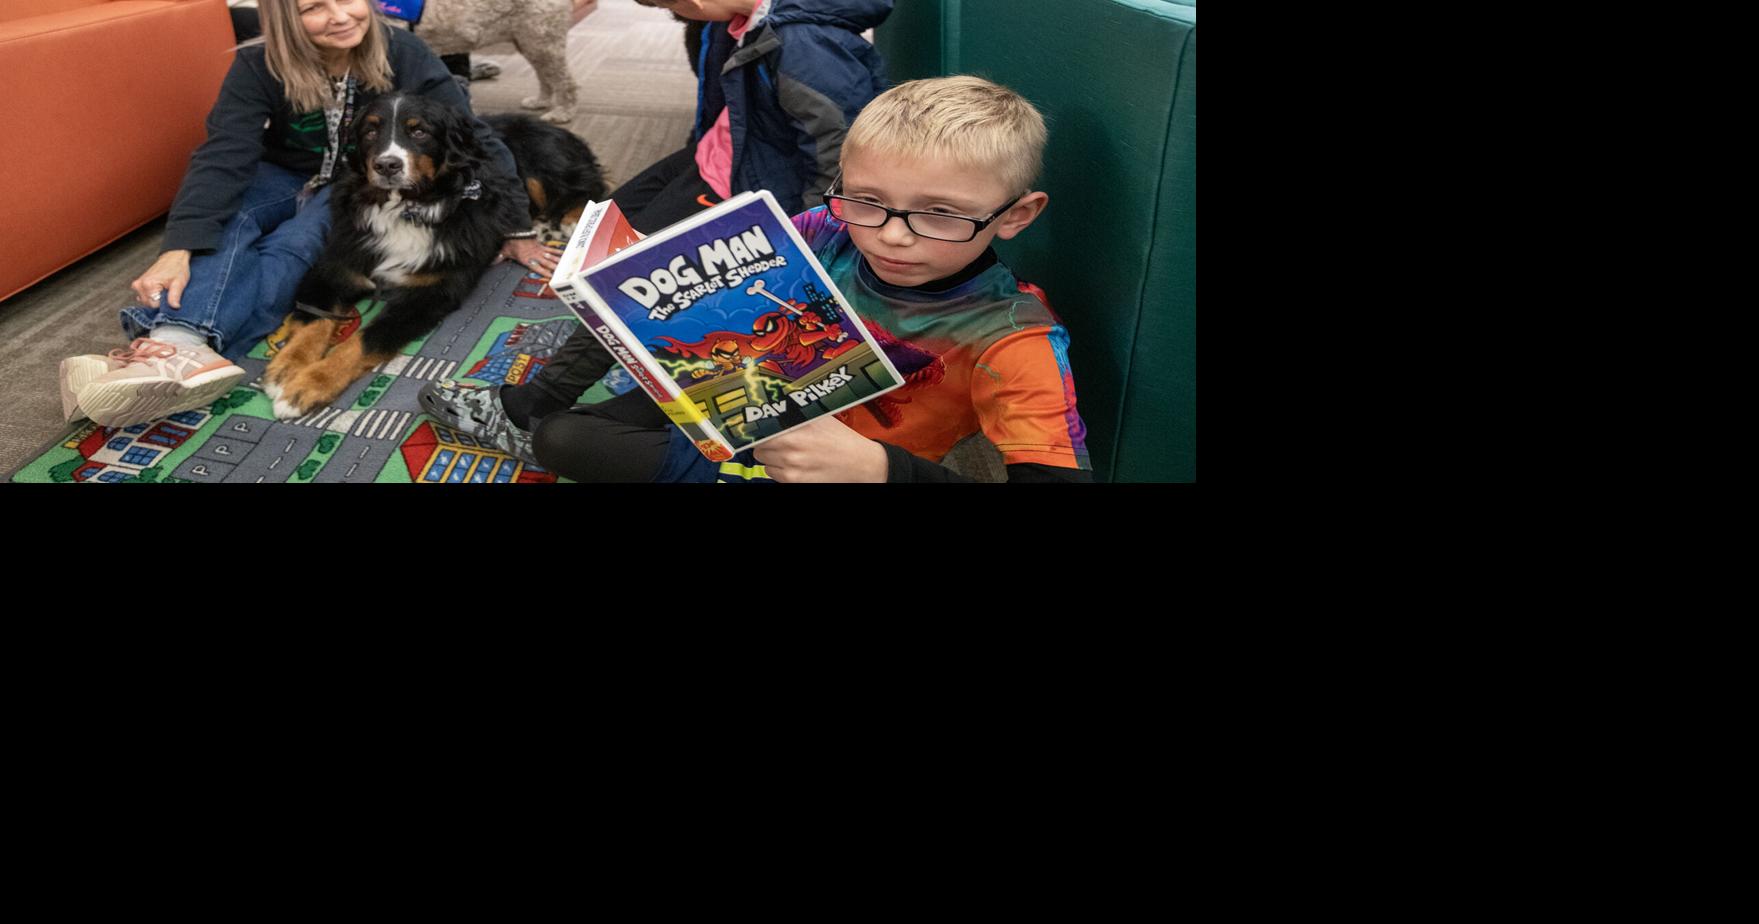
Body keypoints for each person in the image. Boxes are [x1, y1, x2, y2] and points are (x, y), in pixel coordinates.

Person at [530, 75, 1091, 482]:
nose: (892, 236)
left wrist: (880, 469)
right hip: (748, 405)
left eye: (941, 214)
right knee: (562, 434)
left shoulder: (1014, 336)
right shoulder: (829, 226)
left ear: (1016, 215)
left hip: (854, 468)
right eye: (868, 201)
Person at [419, 0, 888, 460]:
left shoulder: (804, 43)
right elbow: (736, 111)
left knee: (627, 283)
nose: (673, 14)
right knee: (605, 233)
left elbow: (840, 158)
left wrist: (803, 247)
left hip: (752, 189)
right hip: (716, 158)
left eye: (669, 4)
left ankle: (532, 405)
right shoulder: (740, 22)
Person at [59, 0, 544, 428]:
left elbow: (473, 137)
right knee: (231, 227)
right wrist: (177, 247)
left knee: (295, 247)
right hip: (283, 173)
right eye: (313, 6)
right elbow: (224, 154)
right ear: (284, 18)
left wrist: (518, 226)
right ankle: (175, 341)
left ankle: (182, 346)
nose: (338, 16)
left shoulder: (403, 52)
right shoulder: (256, 64)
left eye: (348, 0)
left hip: (349, 187)